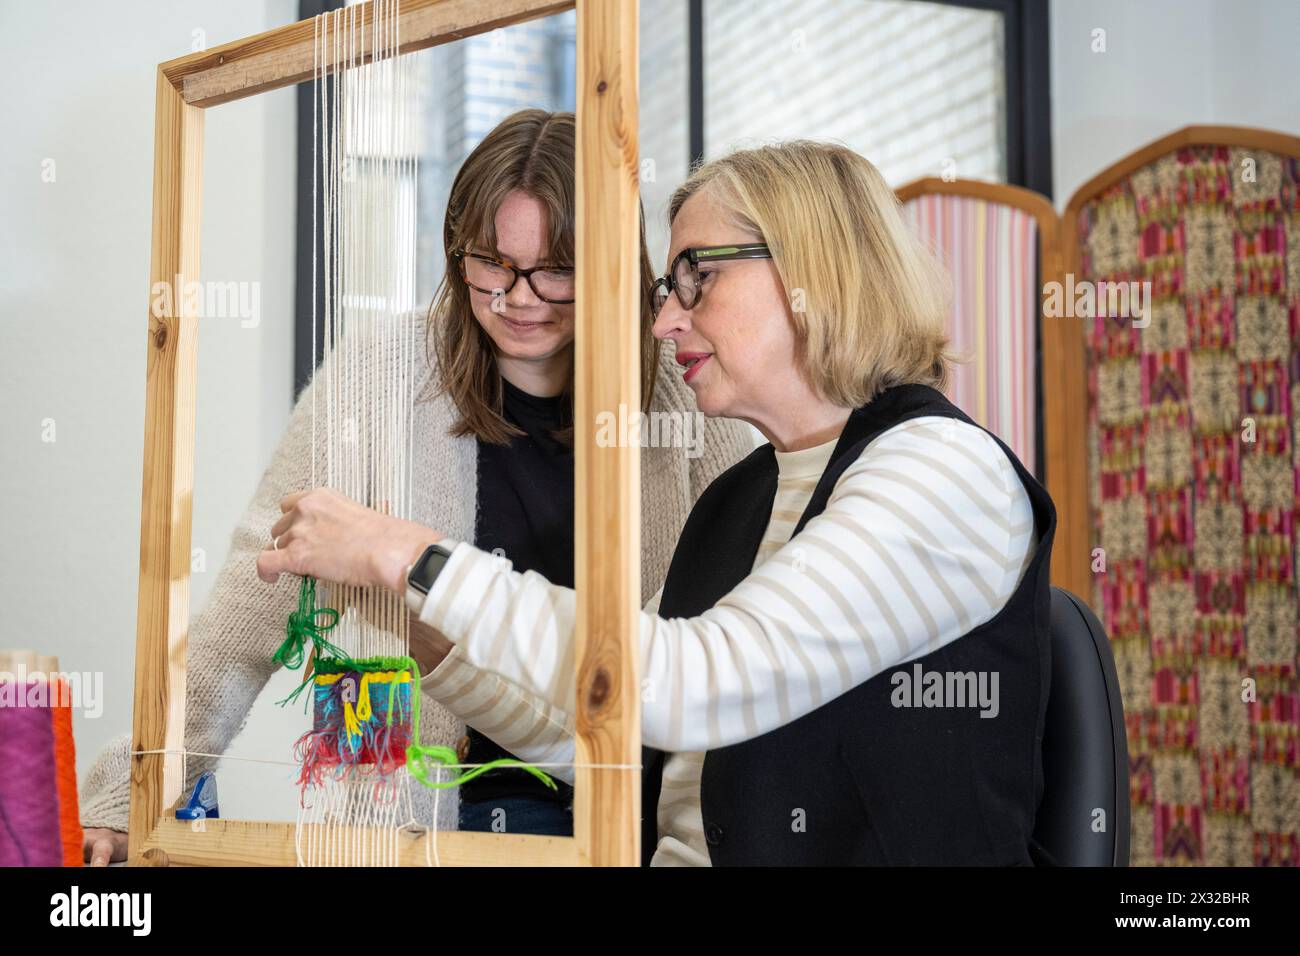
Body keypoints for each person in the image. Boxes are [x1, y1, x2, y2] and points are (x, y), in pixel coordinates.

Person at [258, 139, 1057, 866]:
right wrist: (441, 653)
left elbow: (689, 683)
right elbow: (615, 734)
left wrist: (410, 556)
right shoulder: (738, 500)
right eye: (666, 286)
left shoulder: (942, 474)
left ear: (818, 270)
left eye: (696, 278)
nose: (666, 319)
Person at [79, 109, 753, 864]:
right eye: (491, 263)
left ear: (611, 267)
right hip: (418, 812)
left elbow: (728, 643)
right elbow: (250, 600)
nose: (516, 297)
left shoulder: (687, 389)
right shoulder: (379, 372)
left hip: (631, 808)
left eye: (555, 269)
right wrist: (130, 789)